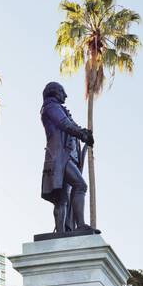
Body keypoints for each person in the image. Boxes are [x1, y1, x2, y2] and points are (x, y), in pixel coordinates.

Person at [40, 81, 94, 234]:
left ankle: (62, 232)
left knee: (62, 199)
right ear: (55, 92)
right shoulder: (51, 107)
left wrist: (84, 133)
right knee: (80, 186)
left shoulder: (59, 109)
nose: (65, 95)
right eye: (62, 91)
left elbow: (71, 125)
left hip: (66, 158)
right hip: (60, 158)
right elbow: (65, 124)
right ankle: (80, 225)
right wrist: (82, 134)